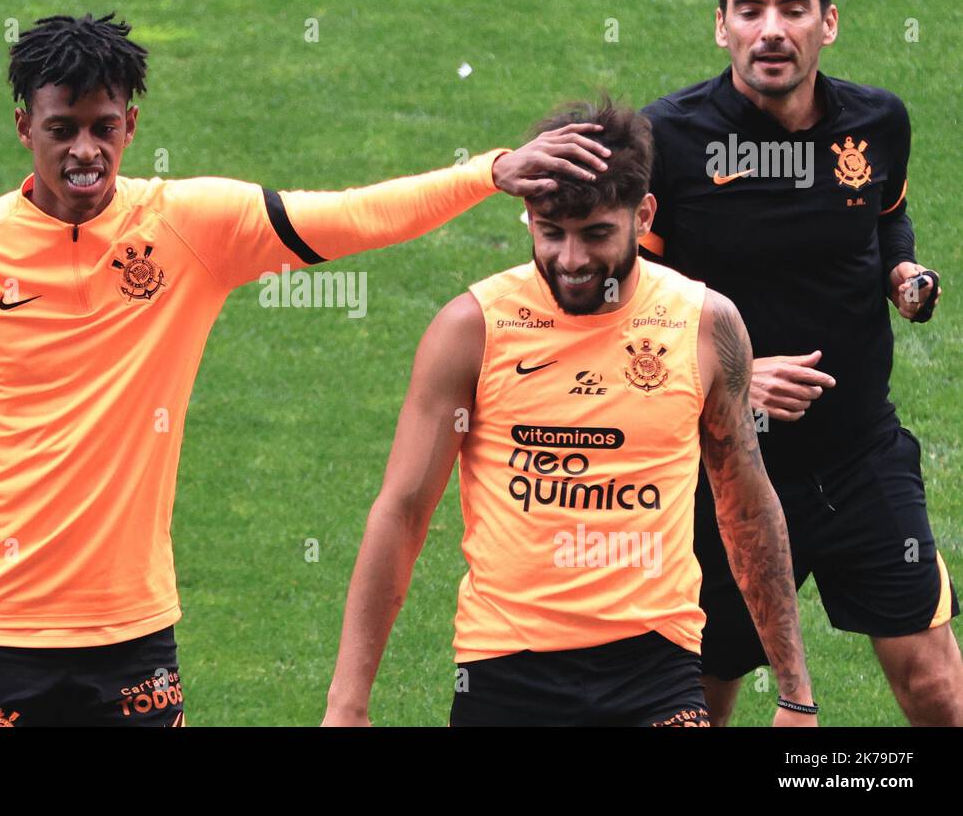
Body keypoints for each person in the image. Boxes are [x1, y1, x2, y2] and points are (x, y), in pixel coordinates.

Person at [0, 12, 612, 726]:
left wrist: (486, 172)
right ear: (25, 127)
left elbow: (353, 215)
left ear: (132, 125)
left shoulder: (190, 228)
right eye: (62, 129)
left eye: (103, 127)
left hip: (133, 632)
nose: (85, 151)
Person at [322, 99, 815, 727]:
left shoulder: (704, 324)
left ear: (644, 216)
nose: (573, 260)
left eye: (596, 234)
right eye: (551, 232)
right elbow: (402, 512)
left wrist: (796, 693)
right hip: (505, 673)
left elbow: (745, 505)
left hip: (656, 671)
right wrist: (347, 705)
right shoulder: (472, 329)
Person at [639, 0, 961, 725]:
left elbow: (884, 216)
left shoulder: (877, 123)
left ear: (829, 22)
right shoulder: (668, 141)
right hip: (721, 472)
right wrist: (734, 380)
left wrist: (901, 271)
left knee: (938, 689)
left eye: (792, 7)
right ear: (722, 26)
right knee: (697, 705)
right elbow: (622, 311)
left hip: (859, 459)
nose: (771, 30)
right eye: (749, 10)